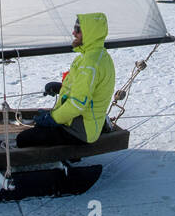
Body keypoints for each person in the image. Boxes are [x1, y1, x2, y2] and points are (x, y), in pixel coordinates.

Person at [18, 13, 115, 148]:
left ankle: (57, 168)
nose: (73, 33)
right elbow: (82, 90)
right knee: (36, 131)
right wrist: (60, 87)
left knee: (23, 139)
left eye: (78, 30)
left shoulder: (90, 64)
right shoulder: (95, 56)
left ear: (89, 33)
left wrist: (53, 118)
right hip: (81, 121)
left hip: (81, 130)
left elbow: (78, 104)